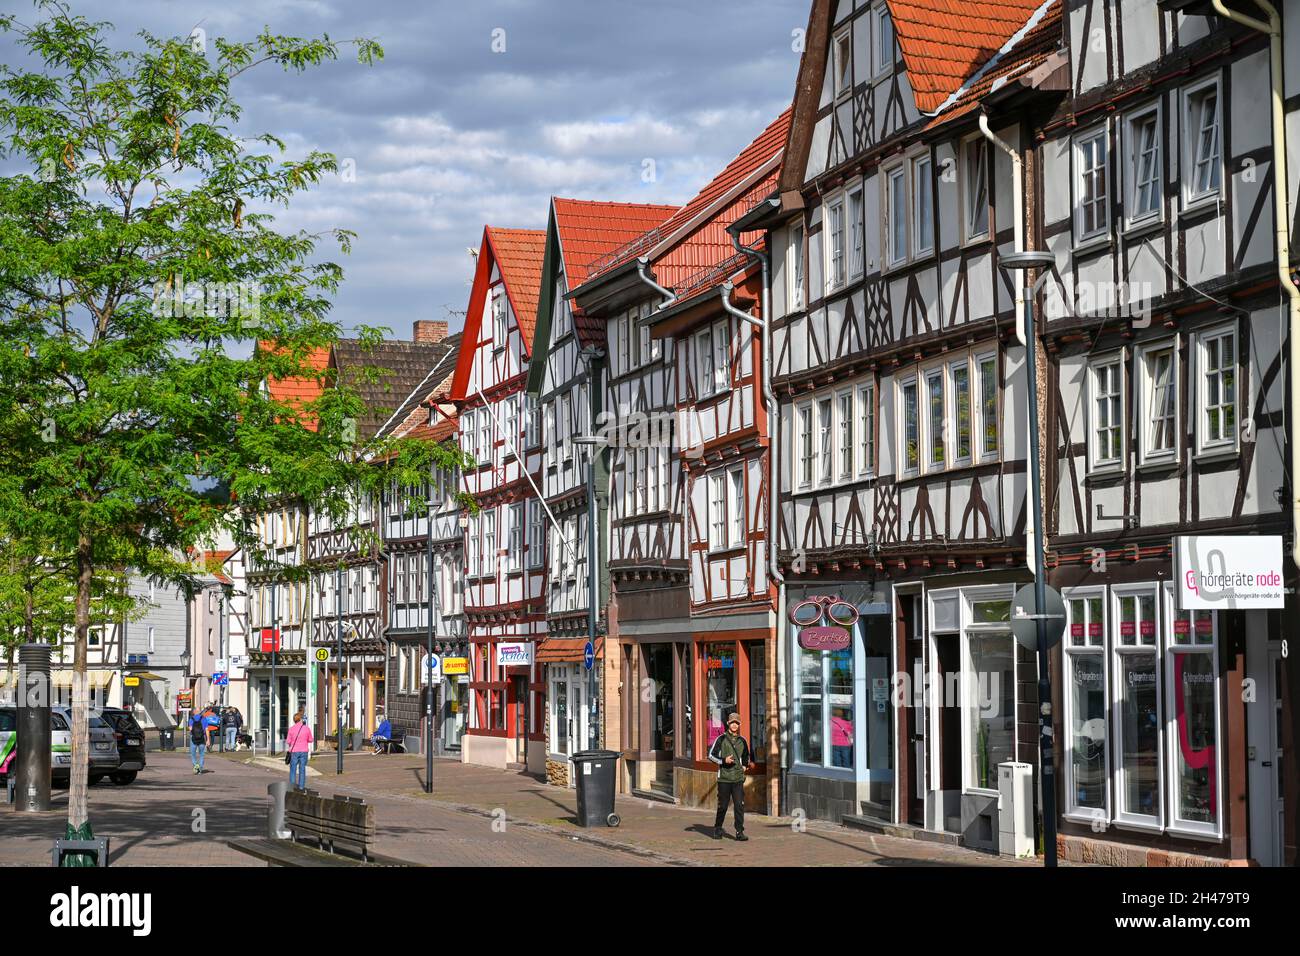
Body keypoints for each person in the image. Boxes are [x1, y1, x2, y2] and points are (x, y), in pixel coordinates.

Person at [707, 712, 752, 841]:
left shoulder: (742, 740)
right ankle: (718, 828)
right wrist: (723, 760)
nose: (734, 725)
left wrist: (744, 766)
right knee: (723, 806)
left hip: (737, 779)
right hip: (724, 778)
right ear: (728, 723)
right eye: (732, 722)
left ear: (739, 725)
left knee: (739, 805)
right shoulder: (721, 739)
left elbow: (746, 756)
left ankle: (739, 831)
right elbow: (710, 755)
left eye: (736, 723)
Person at [286, 711, 313, 791]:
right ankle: (301, 787)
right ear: (300, 719)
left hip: (294, 751)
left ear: (294, 720)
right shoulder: (306, 728)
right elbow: (311, 740)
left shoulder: (291, 729)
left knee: (293, 769)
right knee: (302, 769)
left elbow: (288, 741)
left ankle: (292, 787)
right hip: (304, 751)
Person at [188, 709, 207, 774]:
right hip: (202, 738)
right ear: (199, 712)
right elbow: (207, 730)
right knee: (201, 754)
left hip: (193, 738)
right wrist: (208, 740)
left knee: (193, 754)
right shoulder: (204, 719)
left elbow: (190, 729)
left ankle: (196, 765)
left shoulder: (191, 719)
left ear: (194, 712)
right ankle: (200, 769)